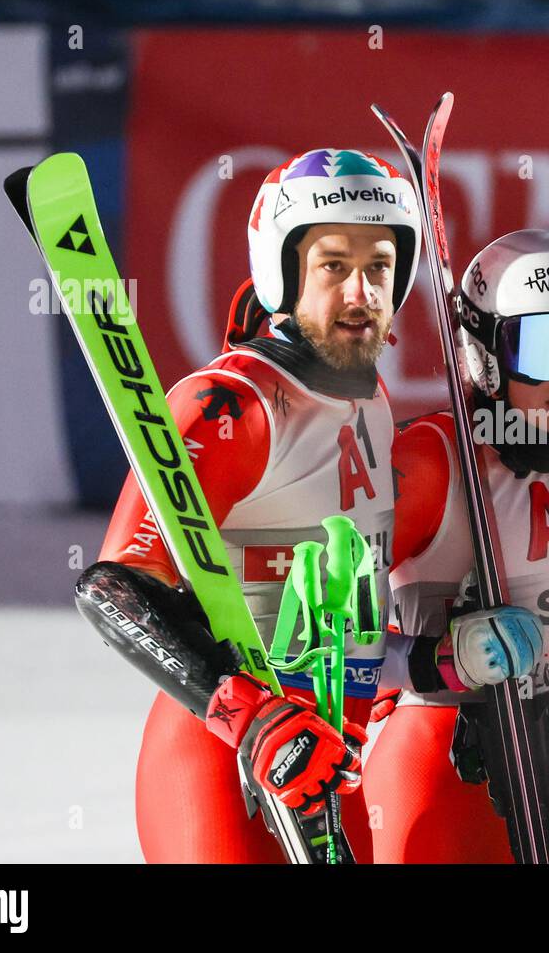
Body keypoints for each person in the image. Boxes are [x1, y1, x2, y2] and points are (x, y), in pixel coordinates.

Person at [74, 147, 443, 863]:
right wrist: (256, 719)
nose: (361, 292)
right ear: (282, 270)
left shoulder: (369, 401)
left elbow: (341, 626)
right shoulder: (234, 404)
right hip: (223, 766)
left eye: (380, 268)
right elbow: (114, 588)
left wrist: (436, 666)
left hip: (326, 774)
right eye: (333, 266)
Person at [363, 230, 549, 863]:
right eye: (543, 349)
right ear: (485, 354)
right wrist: (434, 661)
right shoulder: (433, 461)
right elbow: (309, 637)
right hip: (440, 770)